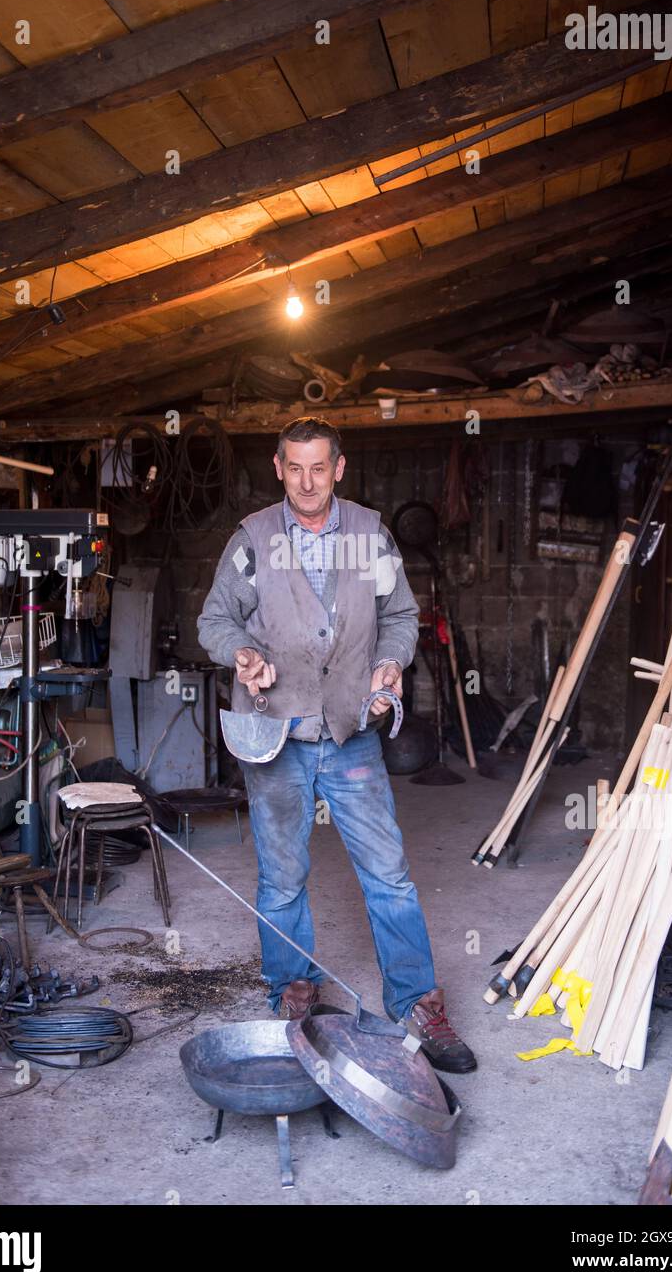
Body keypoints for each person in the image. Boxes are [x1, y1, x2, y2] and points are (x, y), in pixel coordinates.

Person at [197, 416, 475, 1073]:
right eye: (294, 467)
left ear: (339, 468)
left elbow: (400, 617)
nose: (306, 481)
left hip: (349, 736)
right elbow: (215, 618)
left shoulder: (368, 535)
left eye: (318, 467)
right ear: (277, 466)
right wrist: (241, 653)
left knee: (389, 877)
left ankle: (415, 1003)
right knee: (282, 881)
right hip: (275, 734)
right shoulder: (252, 540)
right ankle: (293, 993)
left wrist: (388, 664)